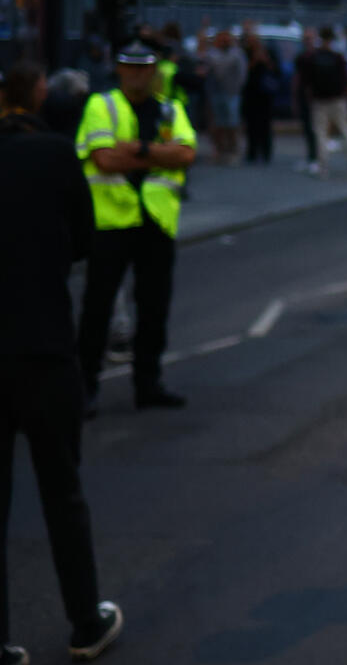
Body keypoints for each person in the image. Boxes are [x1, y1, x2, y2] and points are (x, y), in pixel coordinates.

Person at [0, 78, 122, 665]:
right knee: (62, 491)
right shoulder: (55, 157)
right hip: (43, 351)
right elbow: (85, 242)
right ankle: (85, 623)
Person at [74, 42, 197, 417]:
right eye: (130, 67)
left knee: (154, 308)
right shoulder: (101, 105)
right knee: (98, 309)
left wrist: (138, 148)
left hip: (156, 221)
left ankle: (148, 384)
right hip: (111, 222)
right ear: (120, 70)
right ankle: (85, 388)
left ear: (154, 70)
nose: (138, 73)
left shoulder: (169, 107)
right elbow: (104, 159)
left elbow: (187, 154)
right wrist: (159, 152)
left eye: (145, 68)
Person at [298, 30, 347, 179]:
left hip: (319, 100)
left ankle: (323, 165)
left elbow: (306, 81)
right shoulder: (337, 57)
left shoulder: (313, 58)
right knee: (346, 130)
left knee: (320, 133)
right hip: (337, 99)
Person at [204, 29, 247, 165]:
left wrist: (236, 89)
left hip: (231, 93)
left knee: (232, 123)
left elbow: (242, 74)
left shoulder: (237, 54)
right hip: (216, 93)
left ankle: (233, 150)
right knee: (218, 123)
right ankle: (220, 150)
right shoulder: (212, 54)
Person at [241, 28, 279, 166]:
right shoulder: (246, 53)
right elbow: (242, 73)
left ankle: (266, 152)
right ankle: (252, 152)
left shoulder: (268, 53)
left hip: (265, 96)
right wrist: (254, 62)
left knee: (265, 125)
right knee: (251, 125)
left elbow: (276, 71)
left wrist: (266, 60)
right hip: (251, 94)